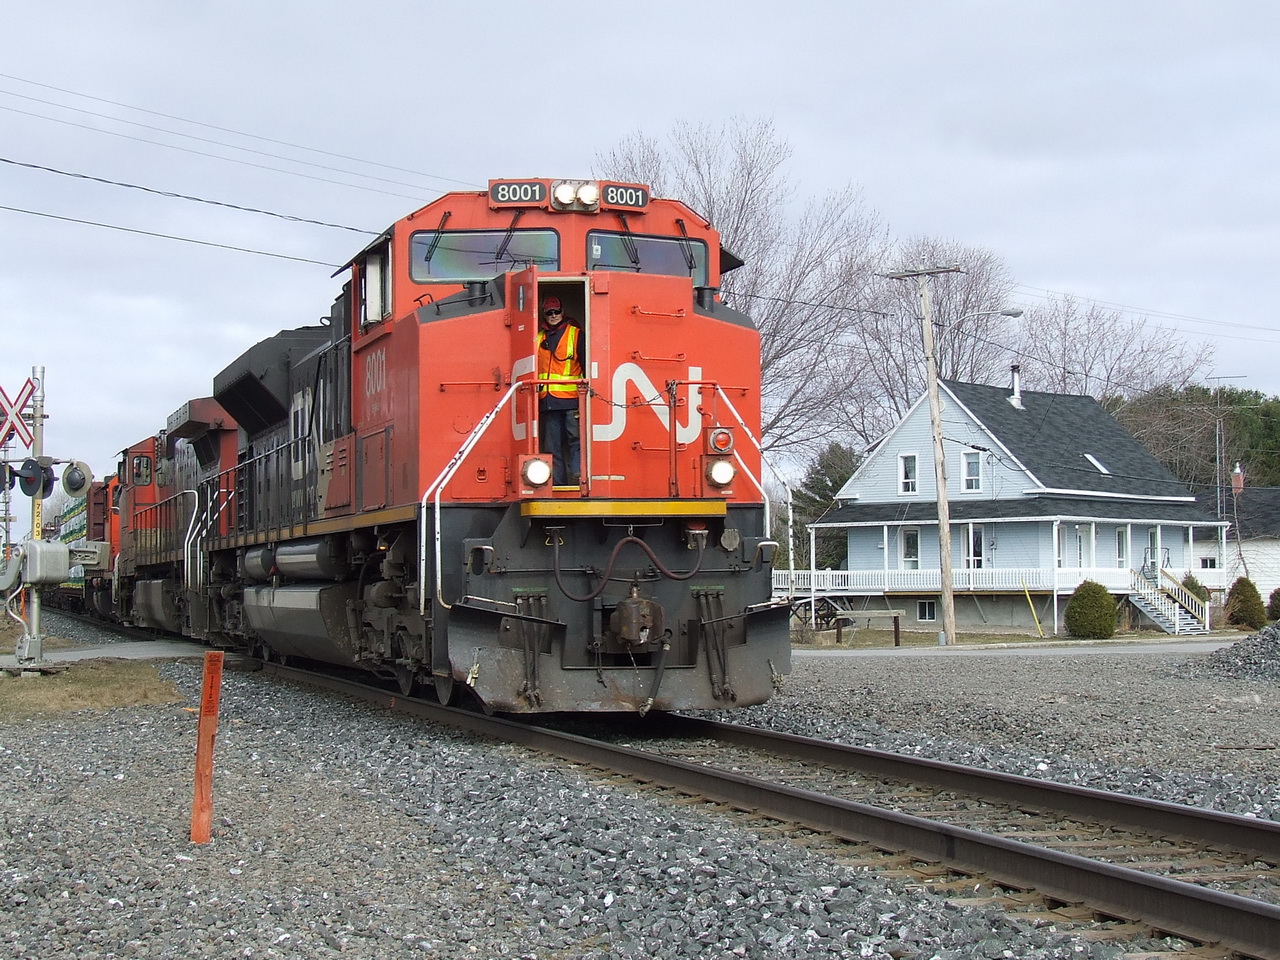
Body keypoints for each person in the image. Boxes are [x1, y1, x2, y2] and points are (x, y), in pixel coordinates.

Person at [536, 295, 583, 485]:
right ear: (544, 314)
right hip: (548, 401)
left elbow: (586, 365)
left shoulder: (576, 335)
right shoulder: (538, 338)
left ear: (562, 312)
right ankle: (558, 485)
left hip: (572, 399)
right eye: (549, 312)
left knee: (576, 440)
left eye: (556, 311)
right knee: (551, 446)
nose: (553, 315)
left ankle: (580, 478)